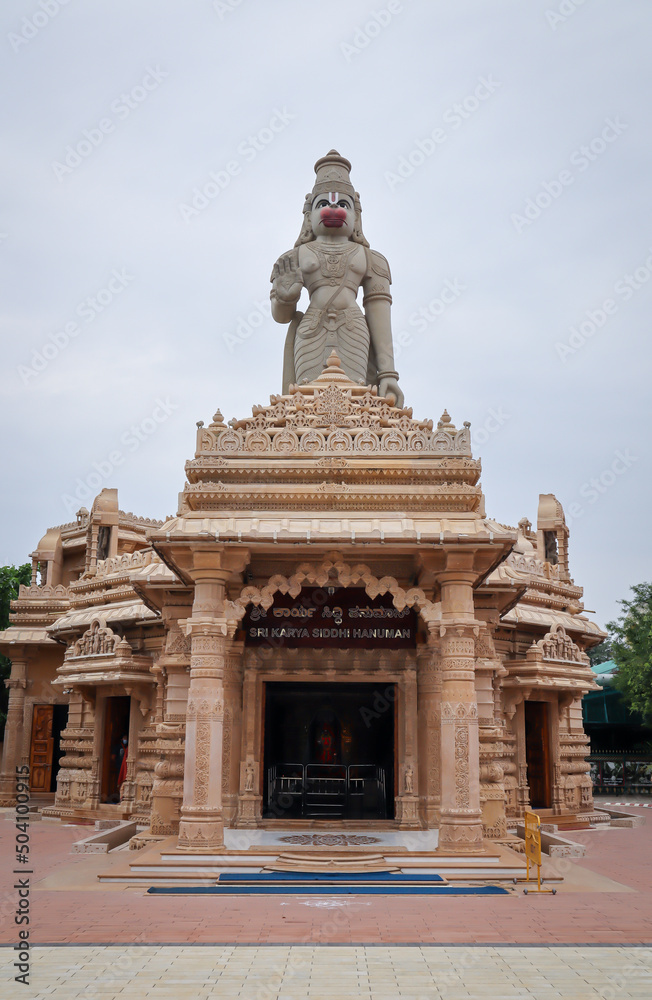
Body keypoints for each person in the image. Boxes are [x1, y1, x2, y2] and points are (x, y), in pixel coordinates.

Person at [271, 150, 403, 406]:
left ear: (356, 216)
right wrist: (285, 299)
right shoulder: (292, 257)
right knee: (307, 401)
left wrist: (388, 374)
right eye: (323, 203)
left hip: (353, 331)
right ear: (309, 216)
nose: (333, 208)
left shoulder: (373, 259)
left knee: (356, 400)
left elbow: (379, 313)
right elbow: (281, 316)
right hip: (311, 331)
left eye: (343, 205)